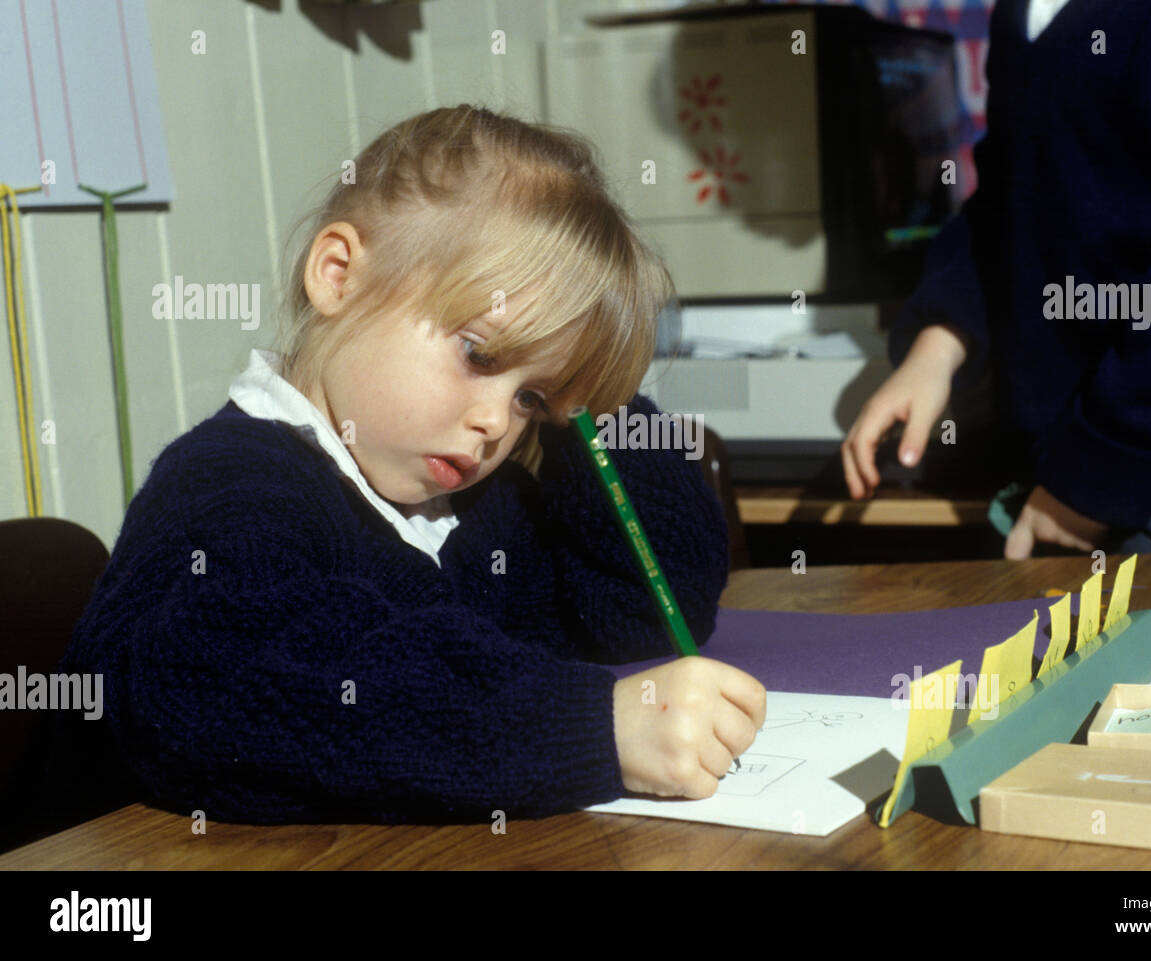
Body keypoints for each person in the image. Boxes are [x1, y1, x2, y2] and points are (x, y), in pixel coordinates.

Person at [32, 106, 765, 833]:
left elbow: (646, 615)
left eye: (531, 400)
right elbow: (233, 686)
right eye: (480, 354)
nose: (495, 424)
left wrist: (593, 406)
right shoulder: (227, 484)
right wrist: (593, 728)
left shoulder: (472, 509)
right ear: (339, 275)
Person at [842, 0, 1151, 557]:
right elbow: (1010, 197)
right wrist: (941, 341)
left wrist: (1099, 466)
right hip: (1069, 452)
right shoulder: (1021, 14)